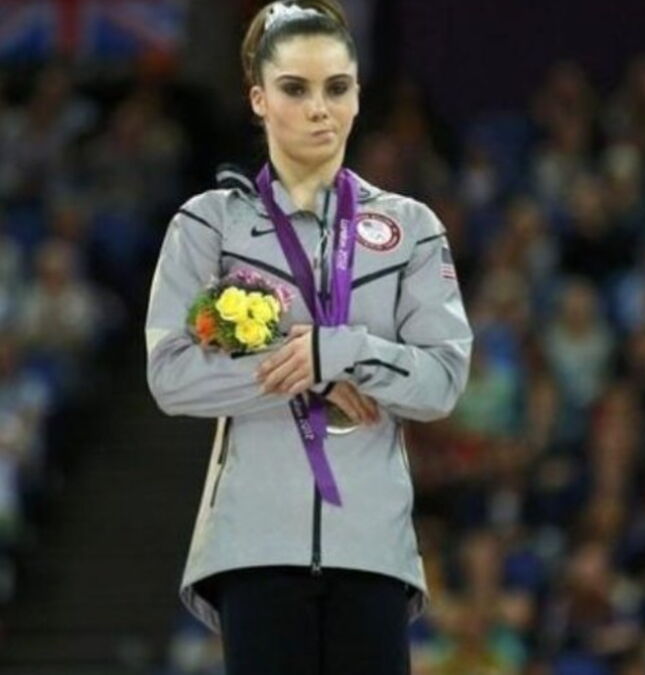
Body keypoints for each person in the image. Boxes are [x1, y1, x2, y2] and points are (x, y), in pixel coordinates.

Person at [144, 2, 472, 673]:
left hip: (372, 544)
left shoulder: (410, 227)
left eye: (337, 87)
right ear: (259, 99)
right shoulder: (209, 224)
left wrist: (343, 349)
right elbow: (171, 374)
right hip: (254, 545)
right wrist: (309, 366)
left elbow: (443, 380)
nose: (319, 108)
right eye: (295, 88)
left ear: (357, 96)